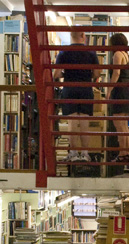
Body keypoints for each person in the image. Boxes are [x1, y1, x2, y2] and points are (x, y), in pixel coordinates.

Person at [52, 31, 100, 163]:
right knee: (84, 122)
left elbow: (56, 74)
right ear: (83, 36)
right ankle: (84, 153)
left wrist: (66, 74)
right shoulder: (91, 52)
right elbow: (96, 73)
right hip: (85, 89)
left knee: (72, 122)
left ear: (70, 36)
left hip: (69, 89)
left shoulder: (64, 52)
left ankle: (73, 153)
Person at [107, 33, 129, 163]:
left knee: (119, 124)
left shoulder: (117, 54)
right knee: (124, 124)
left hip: (120, 90)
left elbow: (116, 72)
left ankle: (122, 153)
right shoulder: (128, 56)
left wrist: (109, 89)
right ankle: (128, 153)